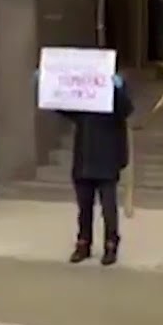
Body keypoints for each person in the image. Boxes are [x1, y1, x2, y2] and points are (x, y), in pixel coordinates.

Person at [56, 73, 134, 266]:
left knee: (108, 207)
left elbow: (126, 109)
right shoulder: (84, 99)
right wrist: (45, 85)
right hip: (85, 157)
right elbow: (63, 106)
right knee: (84, 207)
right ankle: (84, 243)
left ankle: (111, 244)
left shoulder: (115, 95)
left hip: (107, 158)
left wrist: (116, 88)